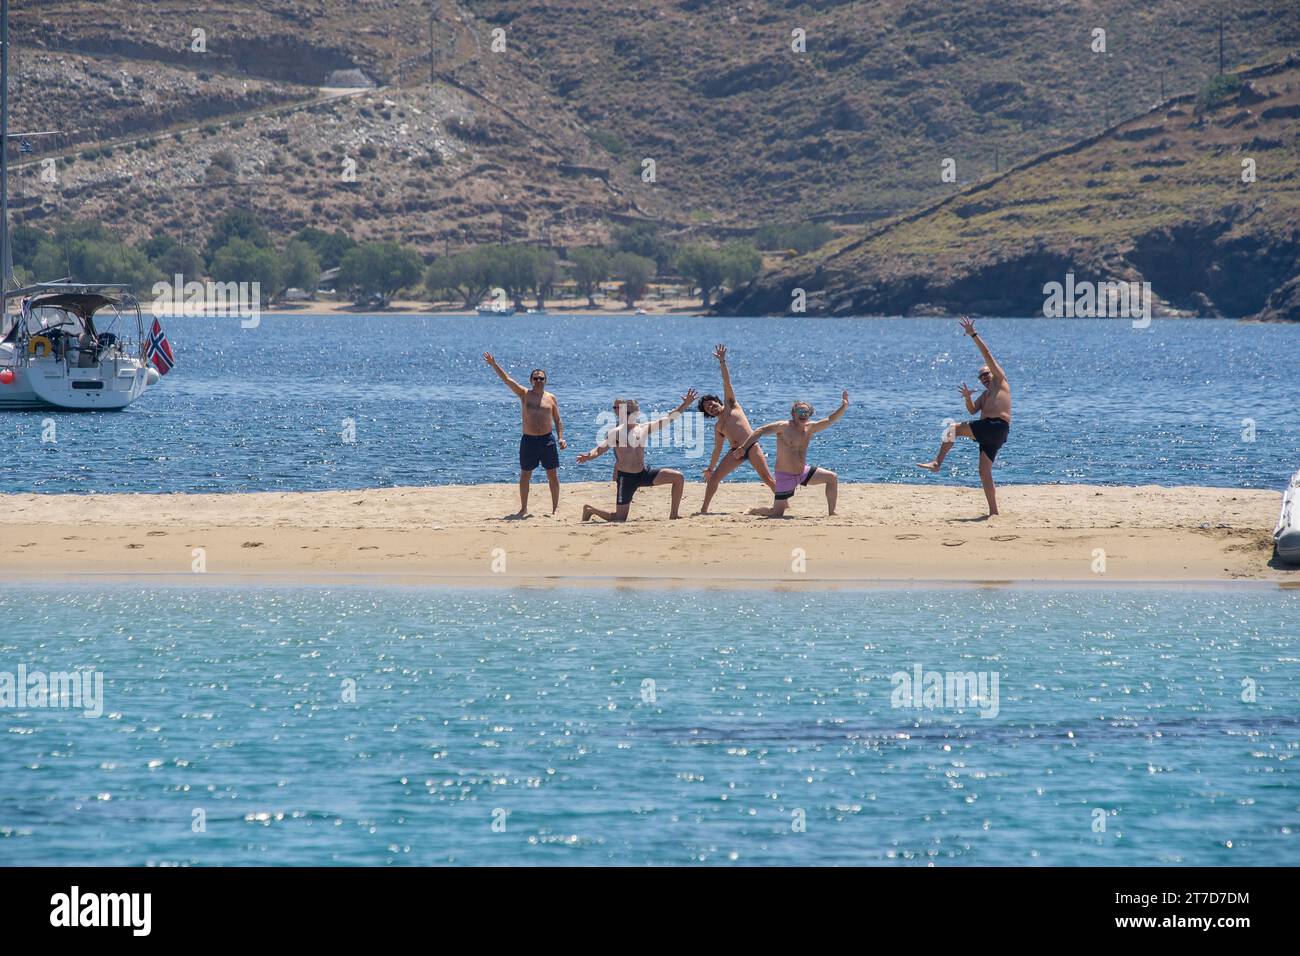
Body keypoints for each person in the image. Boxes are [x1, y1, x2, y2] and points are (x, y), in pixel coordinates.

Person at [915, 317, 1011, 517]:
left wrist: (973, 335)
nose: (985, 378)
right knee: (984, 473)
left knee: (952, 429)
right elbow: (971, 411)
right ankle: (994, 512)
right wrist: (968, 398)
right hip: (995, 433)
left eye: (986, 374)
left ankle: (937, 462)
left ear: (993, 373)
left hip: (995, 426)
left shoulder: (1000, 381)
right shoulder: (985, 396)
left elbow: (987, 354)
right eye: (981, 377)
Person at [577, 390, 698, 521]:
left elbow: (668, 418)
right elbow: (600, 449)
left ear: (637, 413)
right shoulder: (616, 432)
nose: (630, 415)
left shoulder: (643, 428)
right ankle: (590, 510)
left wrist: (685, 404)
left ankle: (673, 515)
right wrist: (589, 456)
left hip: (643, 473)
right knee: (619, 518)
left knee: (678, 478)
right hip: (626, 478)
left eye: (632, 413)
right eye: (627, 413)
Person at [731, 392, 848, 517]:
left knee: (832, 477)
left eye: (805, 412)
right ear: (793, 413)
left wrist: (844, 406)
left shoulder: (811, 428)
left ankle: (832, 513)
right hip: (785, 476)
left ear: (809, 414)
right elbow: (761, 430)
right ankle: (754, 510)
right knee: (777, 513)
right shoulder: (784, 427)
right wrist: (744, 447)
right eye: (800, 412)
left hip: (803, 472)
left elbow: (830, 419)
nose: (803, 415)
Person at [697, 344, 777, 514]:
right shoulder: (718, 426)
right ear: (708, 414)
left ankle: (783, 503)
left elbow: (726, 381)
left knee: (767, 479)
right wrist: (711, 468)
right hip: (735, 452)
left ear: (718, 401)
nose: (710, 407)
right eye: (707, 408)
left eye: (711, 403)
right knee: (714, 479)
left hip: (751, 446)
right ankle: (704, 510)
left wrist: (722, 361)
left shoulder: (731, 405)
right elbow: (717, 449)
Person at [483, 352, 566, 516]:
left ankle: (555, 509)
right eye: (536, 378)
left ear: (545, 380)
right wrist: (494, 364)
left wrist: (561, 437)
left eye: (541, 378)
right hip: (529, 441)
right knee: (525, 475)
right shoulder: (524, 394)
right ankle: (524, 508)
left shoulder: (551, 398)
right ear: (531, 380)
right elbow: (507, 380)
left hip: (547, 440)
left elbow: (557, 420)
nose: (539, 381)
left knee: (552, 475)